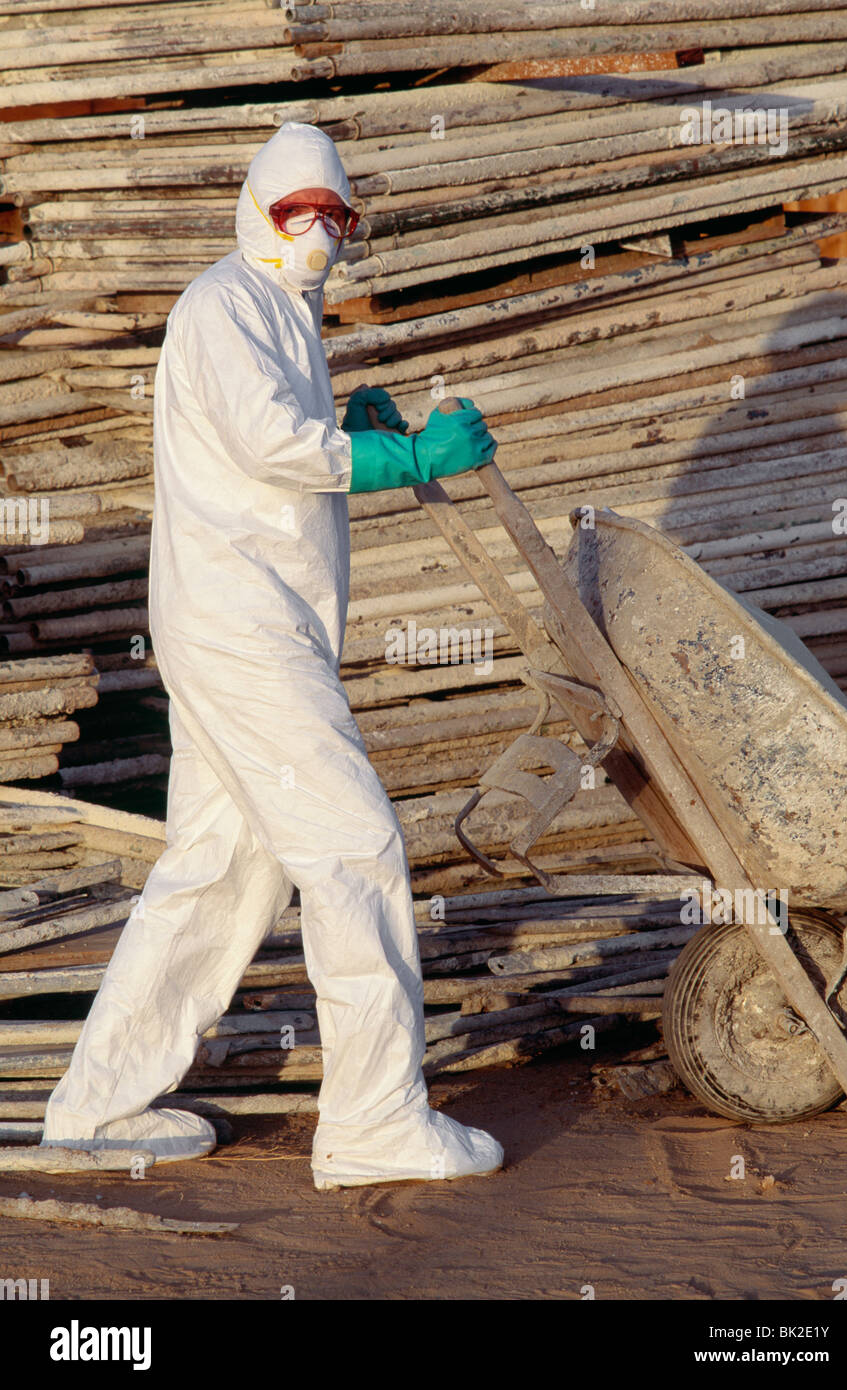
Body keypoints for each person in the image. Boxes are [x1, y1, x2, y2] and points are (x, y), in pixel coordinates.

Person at [40, 122, 503, 1190]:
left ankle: (96, 1109)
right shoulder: (224, 304)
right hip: (243, 634)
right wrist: (398, 454)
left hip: (246, 627)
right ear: (259, 208)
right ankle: (375, 1119)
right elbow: (271, 447)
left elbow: (278, 443)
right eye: (300, 213)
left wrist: (358, 422)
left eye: (336, 219)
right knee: (354, 846)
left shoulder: (283, 311)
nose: (318, 235)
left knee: (217, 869)